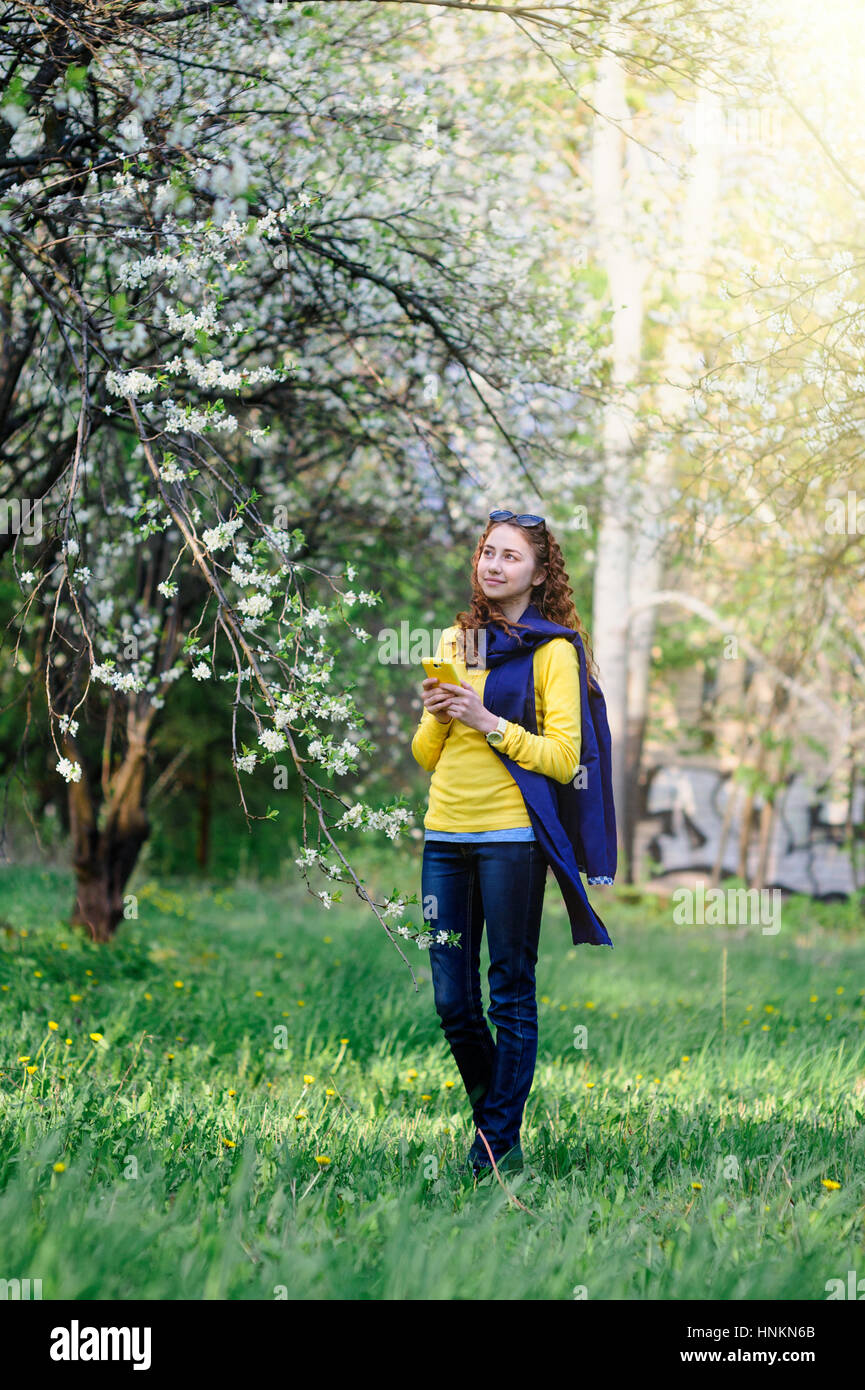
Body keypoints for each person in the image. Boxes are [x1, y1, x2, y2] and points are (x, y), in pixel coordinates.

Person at [410, 508, 604, 1179]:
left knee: (508, 994)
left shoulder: (553, 651)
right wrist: (438, 715)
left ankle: (490, 1149)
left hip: (511, 839)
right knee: (452, 1003)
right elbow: (424, 752)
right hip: (443, 834)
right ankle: (500, 1125)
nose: (492, 566)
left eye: (509, 557)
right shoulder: (457, 639)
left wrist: (487, 719)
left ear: (539, 573)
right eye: (486, 553)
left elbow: (562, 756)